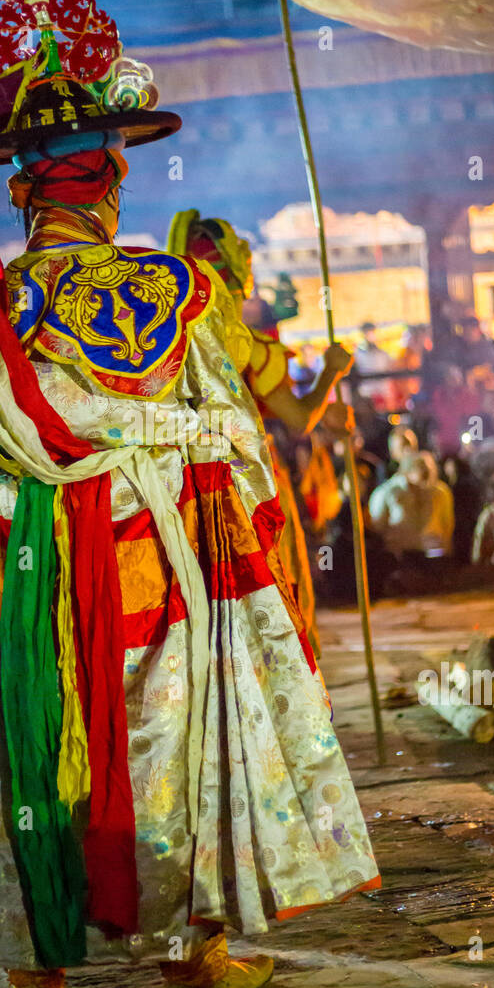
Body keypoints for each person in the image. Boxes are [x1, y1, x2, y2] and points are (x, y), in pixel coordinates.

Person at [0, 0, 378, 988]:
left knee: (19, 749)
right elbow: (249, 447)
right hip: (153, 573)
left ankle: (32, 964)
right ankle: (191, 953)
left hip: (26, 588)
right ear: (112, 179)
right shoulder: (179, 293)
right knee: (174, 735)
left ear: (21, 190)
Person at [168, 208, 354, 660]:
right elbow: (297, 420)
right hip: (252, 482)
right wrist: (330, 374)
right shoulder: (248, 345)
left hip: (185, 488)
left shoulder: (167, 341)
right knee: (274, 585)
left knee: (211, 600)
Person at [368, 450, 455, 561]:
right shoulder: (387, 492)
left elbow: (447, 524)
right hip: (399, 556)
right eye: (422, 471)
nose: (427, 477)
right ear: (407, 471)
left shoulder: (441, 492)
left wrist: (446, 550)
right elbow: (378, 526)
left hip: (432, 556)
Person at [352, 321, 392, 410]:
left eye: (371, 332)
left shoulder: (382, 354)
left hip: (383, 394)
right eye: (367, 332)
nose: (370, 335)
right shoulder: (358, 355)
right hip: (367, 394)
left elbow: (389, 369)